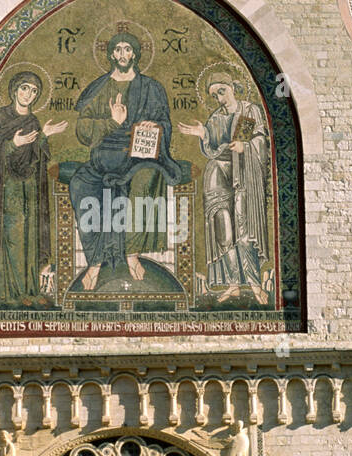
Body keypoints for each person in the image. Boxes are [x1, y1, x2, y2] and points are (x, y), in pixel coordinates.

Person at [68, 25, 183, 290]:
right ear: (110, 54)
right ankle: (94, 263)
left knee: (147, 177)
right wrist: (110, 121)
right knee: (80, 184)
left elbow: (164, 122)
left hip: (138, 157)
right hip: (104, 158)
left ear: (136, 54)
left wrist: (156, 128)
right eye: (118, 49)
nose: (122, 54)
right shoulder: (98, 88)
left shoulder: (151, 88)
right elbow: (83, 130)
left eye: (128, 49)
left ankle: (132, 254)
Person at [179, 71, 270, 305]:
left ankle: (254, 284)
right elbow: (211, 152)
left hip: (242, 176)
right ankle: (232, 285)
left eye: (222, 91)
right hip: (217, 175)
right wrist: (203, 136)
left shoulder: (249, 111)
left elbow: (260, 141)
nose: (220, 99)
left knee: (243, 231)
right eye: (214, 95)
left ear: (232, 88)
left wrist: (244, 145)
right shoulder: (216, 118)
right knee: (224, 232)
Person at [0, 71, 67, 304]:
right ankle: (8, 292)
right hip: (7, 190)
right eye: (25, 88)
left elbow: (35, 159)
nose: (29, 94)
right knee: (12, 236)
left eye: (34, 90)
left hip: (30, 189)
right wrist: (11, 144)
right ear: (14, 90)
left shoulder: (33, 121)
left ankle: (28, 291)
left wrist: (44, 136)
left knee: (29, 236)